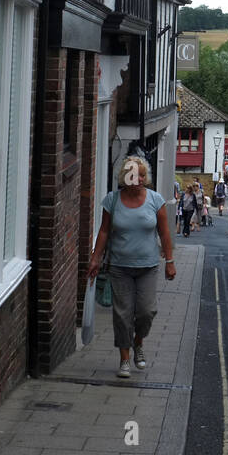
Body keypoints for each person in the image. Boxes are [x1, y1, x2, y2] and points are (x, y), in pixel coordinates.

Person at [87, 156, 176, 379]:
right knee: (122, 314)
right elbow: (104, 231)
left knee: (146, 312)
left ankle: (138, 342)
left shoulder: (156, 200)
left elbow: (164, 233)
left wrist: (170, 261)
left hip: (148, 267)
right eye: (135, 175)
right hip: (119, 266)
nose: (139, 179)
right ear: (125, 177)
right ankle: (125, 359)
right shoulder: (113, 200)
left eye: (143, 175)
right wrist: (95, 258)